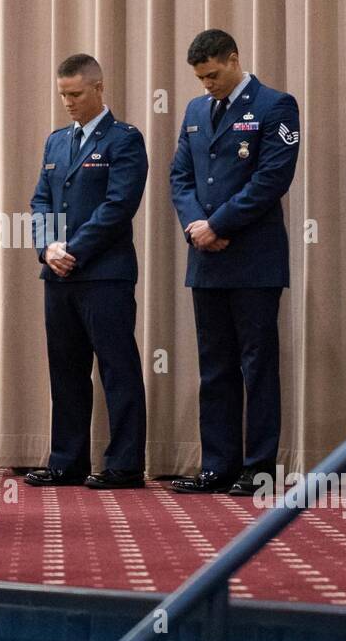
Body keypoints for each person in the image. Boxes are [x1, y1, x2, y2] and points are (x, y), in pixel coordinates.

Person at [168, 29, 300, 495]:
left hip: (253, 260)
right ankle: (217, 465)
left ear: (234, 58)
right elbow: (180, 177)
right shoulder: (196, 111)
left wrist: (218, 225)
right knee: (214, 367)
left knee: (257, 365)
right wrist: (195, 226)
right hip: (206, 259)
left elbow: (272, 179)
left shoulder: (276, 105)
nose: (208, 85)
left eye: (213, 74)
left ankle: (259, 468)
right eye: (201, 78)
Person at [26, 54, 149, 490]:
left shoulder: (125, 140)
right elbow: (40, 202)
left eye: (75, 93)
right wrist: (46, 249)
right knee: (65, 370)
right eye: (62, 94)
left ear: (99, 88)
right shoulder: (56, 142)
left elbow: (118, 207)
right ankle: (67, 461)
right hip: (59, 275)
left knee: (117, 369)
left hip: (104, 274)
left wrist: (72, 250)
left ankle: (125, 464)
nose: (68, 102)